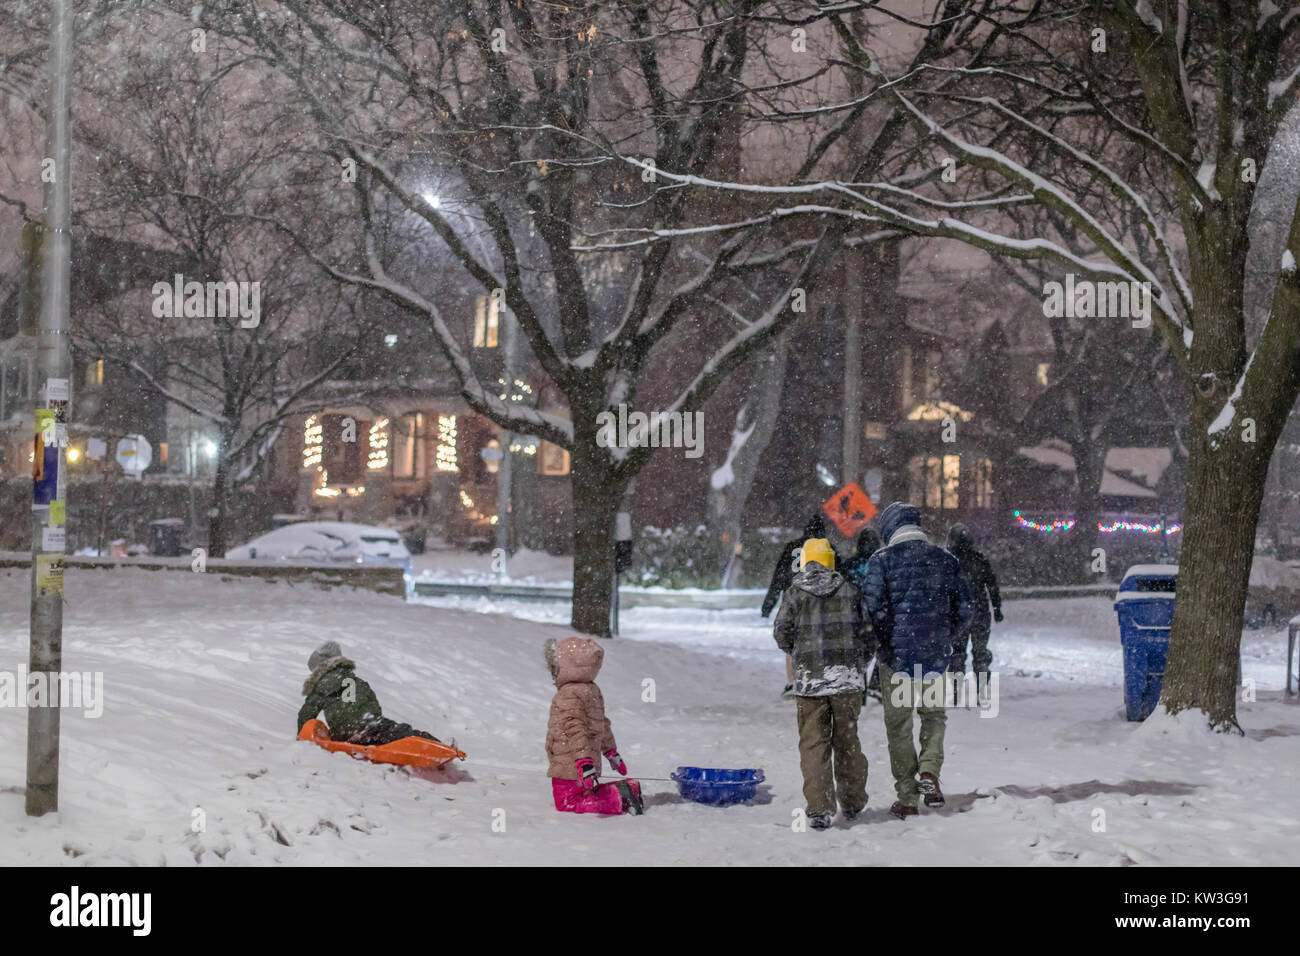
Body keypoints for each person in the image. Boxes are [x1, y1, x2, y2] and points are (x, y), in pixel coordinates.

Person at [861, 502, 973, 820]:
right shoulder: (946, 560)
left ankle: (908, 798)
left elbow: (872, 611)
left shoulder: (881, 561)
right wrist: (943, 635)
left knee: (899, 727)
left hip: (896, 660)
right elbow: (966, 608)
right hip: (935, 658)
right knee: (934, 718)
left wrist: (885, 643)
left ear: (889, 530)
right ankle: (929, 773)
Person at [773, 538, 872, 830]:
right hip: (847, 680)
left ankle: (819, 808)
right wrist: (858, 662)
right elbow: (868, 633)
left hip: (810, 682)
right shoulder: (851, 591)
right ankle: (853, 802)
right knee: (848, 741)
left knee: (814, 744)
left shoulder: (793, 594)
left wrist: (802, 653)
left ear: (804, 561)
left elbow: (781, 634)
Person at [544, 637, 644, 815]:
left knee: (567, 802)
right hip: (583, 760)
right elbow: (601, 723)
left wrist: (583, 761)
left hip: (570, 762)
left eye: (555, 666)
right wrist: (611, 752)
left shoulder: (568, 694)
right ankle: (628, 789)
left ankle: (619, 799)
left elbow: (573, 728)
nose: (553, 671)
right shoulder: (592, 690)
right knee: (584, 793)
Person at [297, 641, 443, 744]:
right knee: (399, 730)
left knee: (384, 732)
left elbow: (306, 714)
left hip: (344, 733)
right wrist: (374, 719)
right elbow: (372, 702)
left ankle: (365, 734)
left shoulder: (320, 688)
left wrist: (301, 736)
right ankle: (434, 744)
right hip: (369, 723)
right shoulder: (357, 681)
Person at [762, 513, 830, 696]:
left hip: (792, 597)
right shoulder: (827, 549)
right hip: (818, 598)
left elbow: (778, 577)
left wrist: (769, 604)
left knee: (792, 639)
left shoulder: (792, 547)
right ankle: (815, 678)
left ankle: (792, 681)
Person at [946, 523, 1002, 702]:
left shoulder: (949, 563)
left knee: (957, 654)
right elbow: (992, 586)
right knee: (980, 653)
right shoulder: (980, 560)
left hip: (958, 615)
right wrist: (996, 608)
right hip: (980, 613)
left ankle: (956, 692)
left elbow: (941, 590)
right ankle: (982, 690)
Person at [842, 527, 884, 702]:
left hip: (854, 615)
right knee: (882, 651)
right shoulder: (882, 564)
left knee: (858, 654)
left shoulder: (849, 564)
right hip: (878, 615)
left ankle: (862, 689)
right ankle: (876, 683)